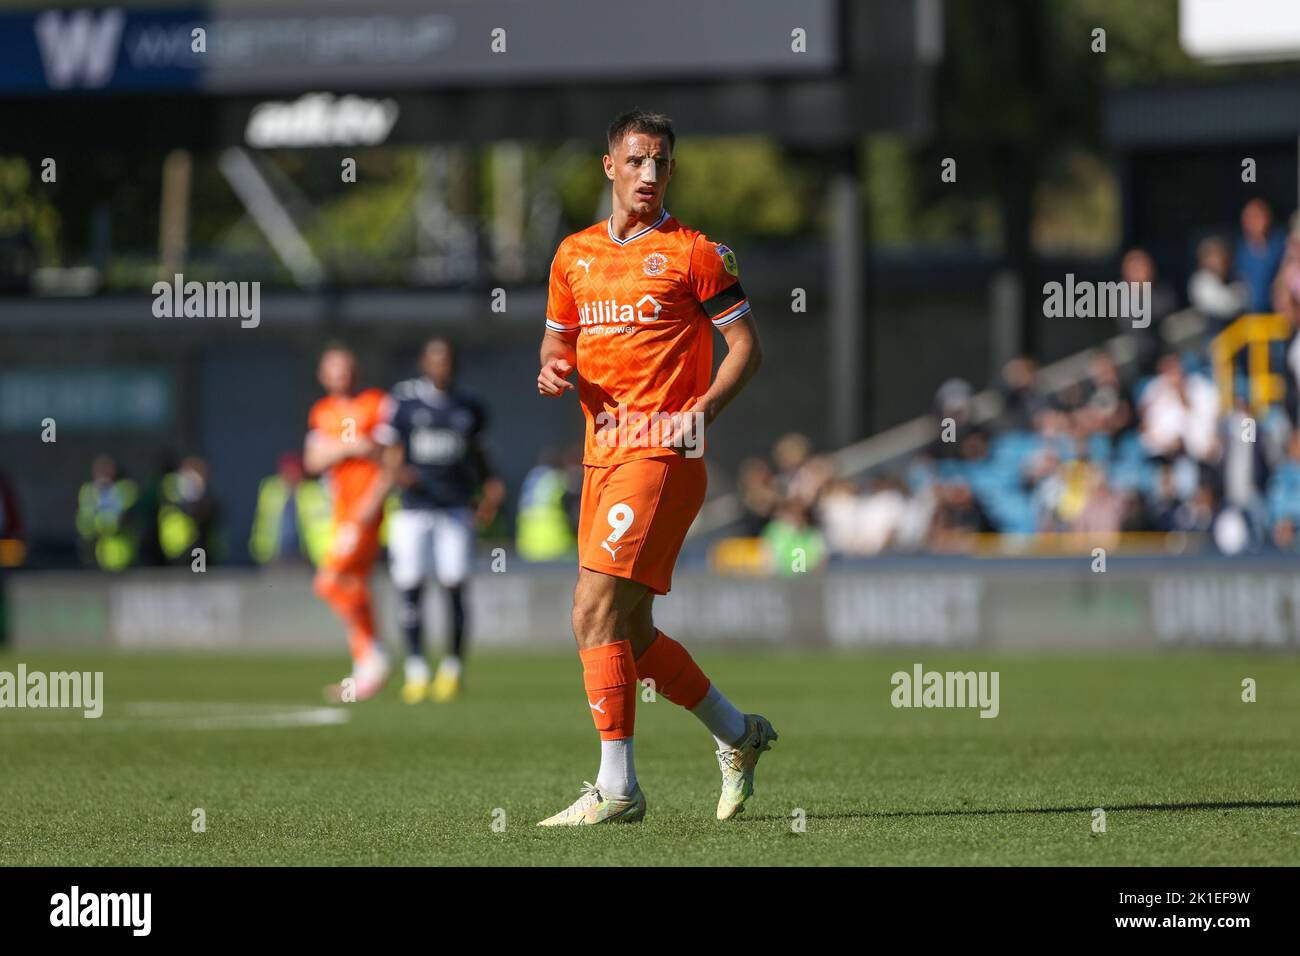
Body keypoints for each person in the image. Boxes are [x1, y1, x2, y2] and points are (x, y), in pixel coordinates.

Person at [535, 109, 773, 826]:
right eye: (636, 160)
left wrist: (697, 414)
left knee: (590, 609)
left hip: (665, 452)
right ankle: (738, 734)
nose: (648, 174)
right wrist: (551, 369)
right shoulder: (572, 255)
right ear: (609, 165)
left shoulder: (695, 253)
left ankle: (618, 789)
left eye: (661, 163)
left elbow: (747, 350)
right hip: (601, 458)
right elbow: (557, 347)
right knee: (629, 635)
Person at [379, 337, 504, 704]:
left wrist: (490, 488)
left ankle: (453, 669)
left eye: (447, 360)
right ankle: (416, 669)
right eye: (435, 360)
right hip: (414, 509)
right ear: (423, 363)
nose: (442, 366)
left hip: (455, 508)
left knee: (454, 584)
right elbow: (388, 452)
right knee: (410, 585)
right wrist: (399, 472)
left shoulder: (470, 407)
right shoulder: (403, 403)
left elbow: (480, 454)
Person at [305, 346, 391, 702]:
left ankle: (372, 654)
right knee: (352, 582)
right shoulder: (322, 412)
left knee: (329, 581)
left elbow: (390, 456)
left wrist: (373, 502)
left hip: (364, 510)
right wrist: (349, 447)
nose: (342, 374)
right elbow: (313, 460)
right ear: (323, 376)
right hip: (341, 511)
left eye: (347, 367)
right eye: (334, 368)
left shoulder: (376, 403)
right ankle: (366, 665)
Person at [249, 451, 332, 567]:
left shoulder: (312, 491)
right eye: (288, 471)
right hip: (273, 556)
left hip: (305, 557)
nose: (291, 475)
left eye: (294, 471)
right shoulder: (271, 490)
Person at [75, 455, 138, 571]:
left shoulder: (122, 489)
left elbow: (123, 518)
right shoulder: (89, 491)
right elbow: (86, 524)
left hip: (122, 551)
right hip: (98, 551)